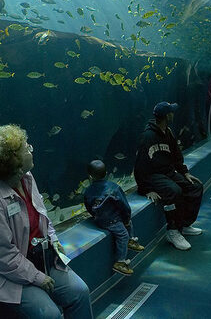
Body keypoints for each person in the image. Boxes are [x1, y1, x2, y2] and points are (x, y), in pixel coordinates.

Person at [0, 124, 92, 318]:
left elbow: (41, 214)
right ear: (14, 160)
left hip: (37, 258)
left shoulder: (26, 177)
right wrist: (38, 278)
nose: (31, 149)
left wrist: (53, 239)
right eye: (27, 148)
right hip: (5, 273)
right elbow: (4, 257)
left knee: (80, 292)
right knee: (49, 314)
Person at [134, 102, 204, 251]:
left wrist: (185, 172)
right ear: (167, 116)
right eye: (171, 112)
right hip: (153, 175)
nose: (174, 113)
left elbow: (176, 155)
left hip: (168, 172)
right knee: (174, 191)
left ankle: (183, 225)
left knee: (195, 187)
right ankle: (172, 231)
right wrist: (146, 189)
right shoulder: (147, 136)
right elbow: (140, 164)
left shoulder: (168, 132)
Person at [83, 160, 145, 276]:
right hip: (113, 221)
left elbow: (88, 206)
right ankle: (120, 262)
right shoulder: (114, 188)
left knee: (126, 225)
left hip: (99, 220)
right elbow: (124, 206)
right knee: (123, 234)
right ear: (106, 173)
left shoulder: (88, 190)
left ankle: (131, 241)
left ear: (89, 176)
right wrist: (126, 220)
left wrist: (96, 215)